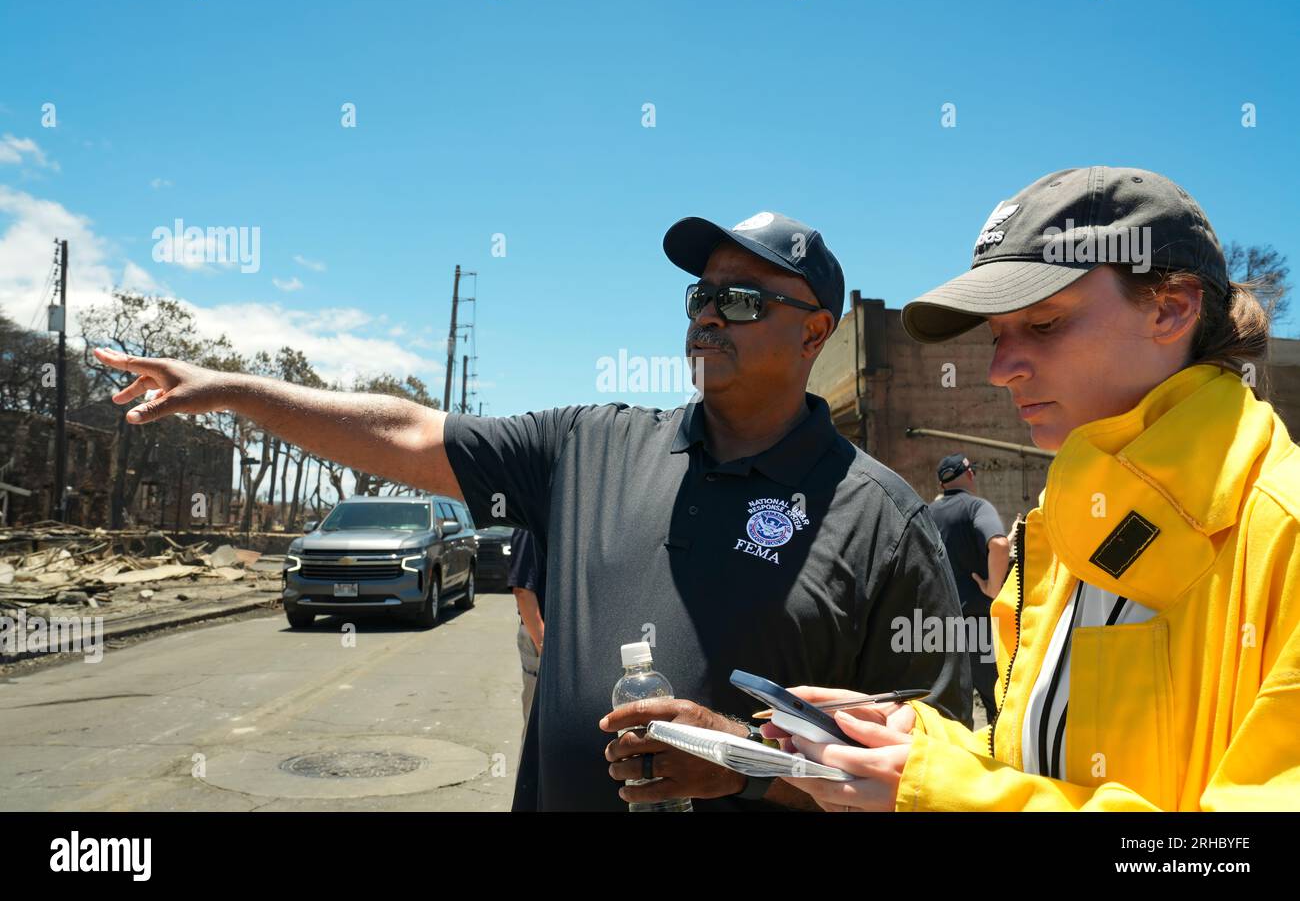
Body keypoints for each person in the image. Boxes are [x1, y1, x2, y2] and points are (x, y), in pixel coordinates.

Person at [93, 208, 971, 812]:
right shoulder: (587, 447)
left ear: (814, 333)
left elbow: (922, 774)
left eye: (742, 301)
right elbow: (406, 430)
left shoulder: (881, 521)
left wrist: (740, 760)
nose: (708, 316)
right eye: (699, 297)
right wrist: (235, 390)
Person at [766, 166, 1300, 811]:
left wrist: (947, 798)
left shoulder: (1283, 531)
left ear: (1171, 308)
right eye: (996, 334)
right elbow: (1037, 762)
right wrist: (916, 745)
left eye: (1043, 325)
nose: (999, 369)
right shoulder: (1064, 523)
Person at [926, 453, 1009, 721]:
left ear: (941, 484)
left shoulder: (925, 513)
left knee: (946, 714)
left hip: (935, 628)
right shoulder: (976, 507)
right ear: (970, 474)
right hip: (978, 625)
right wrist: (993, 588)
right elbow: (998, 544)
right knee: (998, 707)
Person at [509, 528, 545, 747]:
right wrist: (544, 646)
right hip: (540, 637)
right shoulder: (528, 527)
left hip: (552, 639)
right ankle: (530, 782)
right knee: (537, 726)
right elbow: (522, 591)